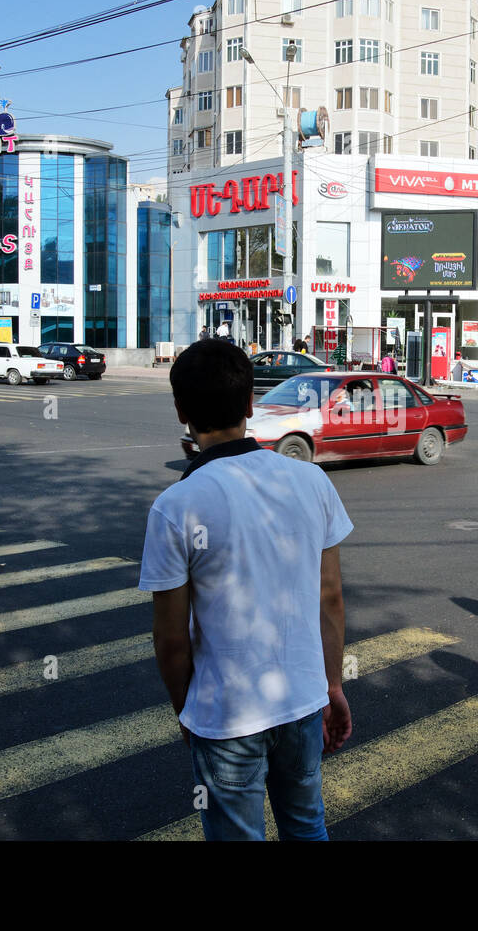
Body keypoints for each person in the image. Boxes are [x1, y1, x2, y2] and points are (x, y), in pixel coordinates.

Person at [139, 340, 354, 840]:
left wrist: (186, 711)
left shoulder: (177, 506)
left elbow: (170, 639)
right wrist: (333, 686)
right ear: (251, 404)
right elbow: (331, 600)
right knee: (306, 826)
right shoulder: (311, 481)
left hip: (227, 716)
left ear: (181, 411)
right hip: (302, 702)